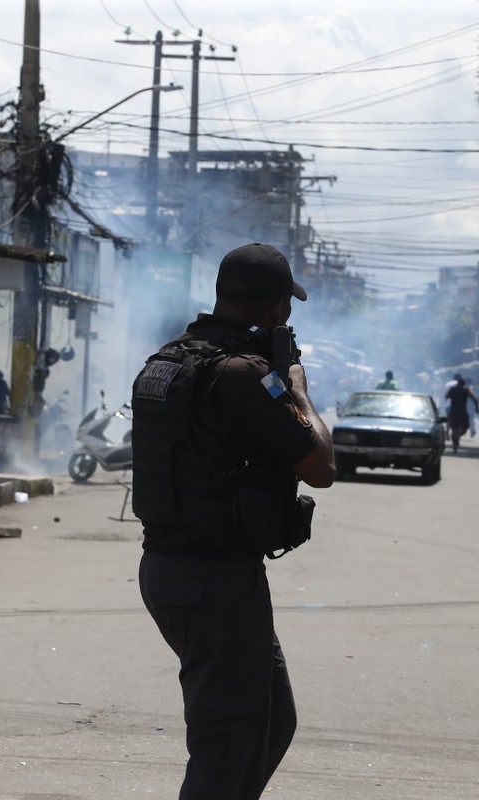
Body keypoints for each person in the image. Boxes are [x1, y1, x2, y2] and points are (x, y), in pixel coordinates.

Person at [132, 242, 336, 800]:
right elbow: (321, 467)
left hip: (179, 571)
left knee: (269, 725)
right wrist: (297, 389)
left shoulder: (173, 359)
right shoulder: (242, 375)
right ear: (278, 310)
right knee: (228, 747)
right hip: (213, 580)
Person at [444, 375, 479, 453]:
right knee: (464, 427)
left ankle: (455, 439)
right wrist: (477, 408)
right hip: (462, 412)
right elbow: (474, 399)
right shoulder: (465, 391)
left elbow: (446, 397)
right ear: (463, 385)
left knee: (454, 428)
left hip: (453, 411)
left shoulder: (452, 390)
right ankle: (457, 437)